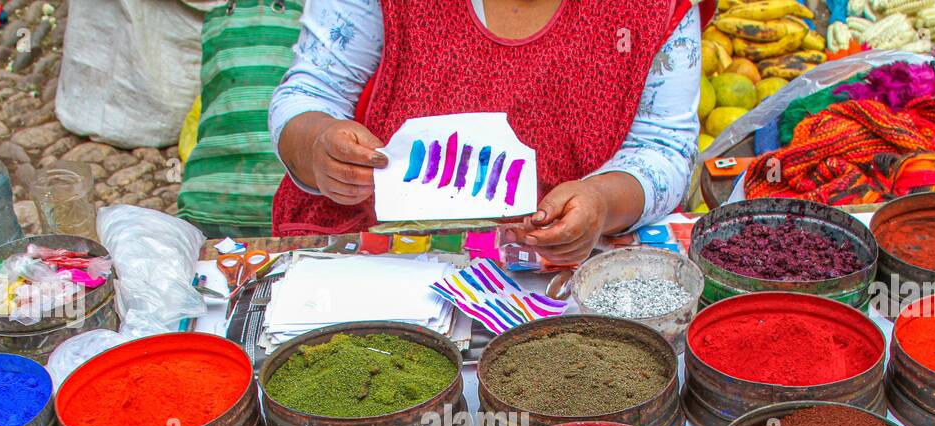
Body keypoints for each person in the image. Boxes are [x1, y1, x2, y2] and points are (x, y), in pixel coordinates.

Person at [269, 0, 707, 262]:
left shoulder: (654, 9)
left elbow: (662, 147)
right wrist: (318, 145)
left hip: (558, 269)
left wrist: (602, 202)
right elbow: (314, 89)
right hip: (383, 257)